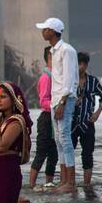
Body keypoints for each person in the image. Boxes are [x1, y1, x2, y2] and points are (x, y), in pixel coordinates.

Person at [37, 17, 78, 194]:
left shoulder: (67, 50)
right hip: (55, 100)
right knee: (59, 140)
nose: (43, 32)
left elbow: (68, 80)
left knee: (66, 139)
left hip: (64, 99)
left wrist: (62, 102)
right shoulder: (54, 51)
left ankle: (71, 181)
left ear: (52, 31)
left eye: (45, 29)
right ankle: (63, 179)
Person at [70, 51, 102, 190]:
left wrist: (97, 113)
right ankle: (70, 183)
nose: (77, 67)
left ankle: (86, 185)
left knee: (87, 154)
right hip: (72, 123)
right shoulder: (69, 81)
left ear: (85, 65)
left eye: (80, 64)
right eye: (75, 64)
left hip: (88, 123)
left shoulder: (93, 81)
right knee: (69, 153)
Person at [29, 45, 58, 190]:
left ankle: (49, 183)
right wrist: (59, 104)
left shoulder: (55, 75)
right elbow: (43, 101)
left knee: (54, 153)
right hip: (47, 117)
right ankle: (32, 184)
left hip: (54, 117)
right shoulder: (46, 77)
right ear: (49, 57)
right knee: (42, 152)